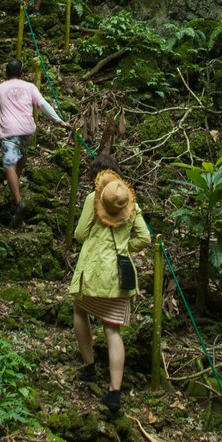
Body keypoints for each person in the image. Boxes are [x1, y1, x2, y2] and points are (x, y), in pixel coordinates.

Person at [70, 166, 150, 417]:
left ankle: (89, 365)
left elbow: (80, 234)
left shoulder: (94, 199)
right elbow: (145, 238)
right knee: (112, 329)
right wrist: (125, 246)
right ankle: (115, 392)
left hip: (94, 271)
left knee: (80, 310)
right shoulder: (131, 205)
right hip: (119, 274)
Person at [0, 60, 62, 223]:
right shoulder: (29, 87)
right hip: (28, 129)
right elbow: (43, 104)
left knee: (9, 164)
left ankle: (19, 203)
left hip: (10, 131)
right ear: (22, 73)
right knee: (22, 154)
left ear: (6, 74)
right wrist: (58, 121)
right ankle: (15, 181)